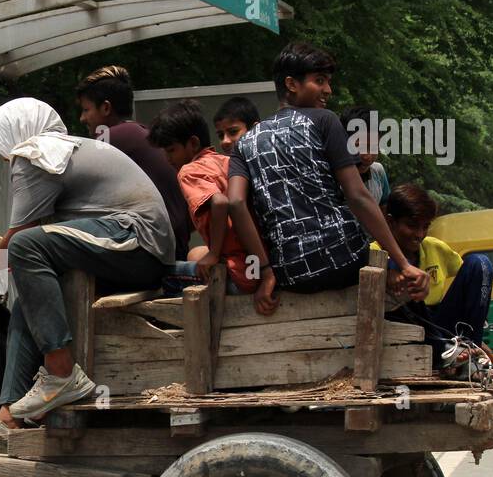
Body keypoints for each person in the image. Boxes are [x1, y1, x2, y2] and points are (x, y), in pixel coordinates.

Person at [0, 98, 177, 451]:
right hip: (130, 250)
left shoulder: (36, 153)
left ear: (14, 133)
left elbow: (21, 236)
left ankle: (61, 373)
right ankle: (7, 418)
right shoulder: (64, 150)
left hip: (136, 243)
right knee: (30, 289)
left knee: (25, 248)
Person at [226, 41, 428, 316]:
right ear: (291, 84)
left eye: (328, 82)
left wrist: (265, 270)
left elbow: (235, 204)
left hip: (291, 272)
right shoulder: (324, 120)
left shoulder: (244, 144)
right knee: (402, 285)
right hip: (345, 257)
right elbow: (357, 196)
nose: (328, 90)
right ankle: (443, 346)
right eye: (319, 81)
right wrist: (402, 263)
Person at [76, 65, 191, 260]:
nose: (82, 118)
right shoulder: (136, 132)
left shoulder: (112, 136)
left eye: (86, 110)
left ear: (105, 107)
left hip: (157, 247)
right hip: (173, 243)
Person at [376, 183, 493, 368]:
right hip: (410, 332)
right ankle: (447, 355)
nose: (419, 234)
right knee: (410, 287)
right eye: (412, 226)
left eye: (425, 227)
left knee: (481, 264)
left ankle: (470, 349)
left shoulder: (434, 247)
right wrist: (387, 275)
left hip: (441, 324)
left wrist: (475, 331)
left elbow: (473, 283)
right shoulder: (374, 253)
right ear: (391, 222)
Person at [148, 99, 258, 294]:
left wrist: (214, 254)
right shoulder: (228, 162)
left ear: (193, 143)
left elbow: (220, 202)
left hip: (235, 275)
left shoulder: (189, 172)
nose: (168, 158)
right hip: (254, 269)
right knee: (195, 253)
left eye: (171, 150)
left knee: (156, 275)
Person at [340, 105, 390, 207]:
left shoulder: (378, 173)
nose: (367, 156)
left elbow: (384, 208)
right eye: (359, 146)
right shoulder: (329, 176)